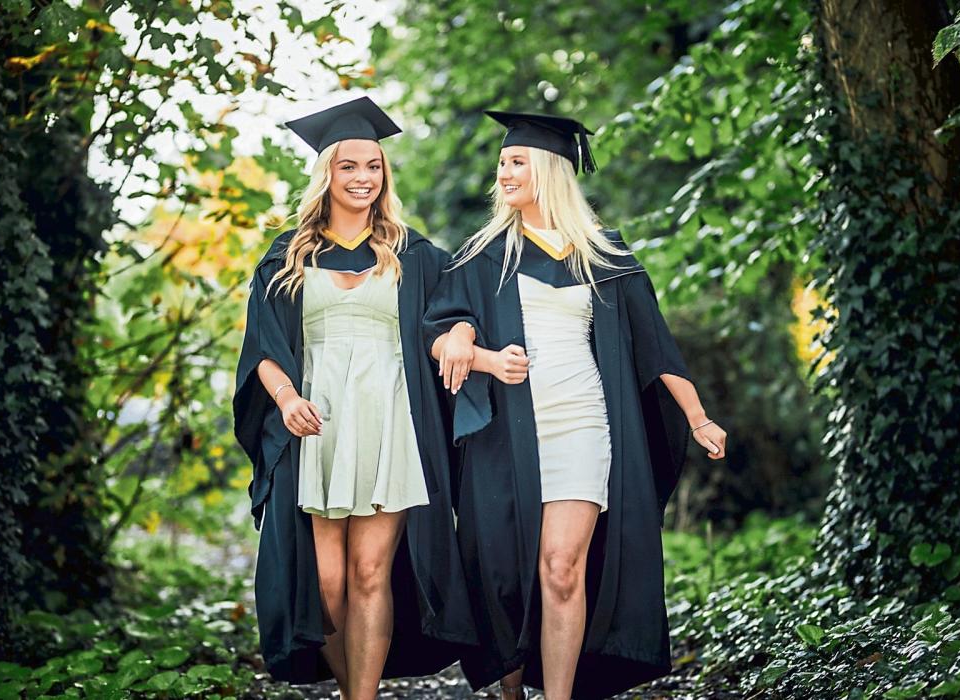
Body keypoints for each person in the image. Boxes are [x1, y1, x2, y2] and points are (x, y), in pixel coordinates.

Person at [424, 110, 729, 700]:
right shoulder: (484, 253)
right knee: (505, 572)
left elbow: (655, 346)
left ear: (548, 170)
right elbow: (439, 327)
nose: (503, 172)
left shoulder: (604, 253)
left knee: (561, 566)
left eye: (516, 162)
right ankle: (512, 692)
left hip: (583, 420)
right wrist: (468, 343)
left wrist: (698, 417)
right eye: (503, 162)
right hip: (506, 432)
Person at [233, 96, 474, 700]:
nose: (364, 177)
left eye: (374, 166)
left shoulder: (413, 253)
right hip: (317, 420)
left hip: (390, 416)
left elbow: (455, 311)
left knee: (371, 574)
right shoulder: (288, 256)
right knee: (330, 582)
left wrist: (467, 335)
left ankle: (360, 698)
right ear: (327, 173)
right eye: (349, 166)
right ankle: (350, 687)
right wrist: (286, 399)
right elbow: (262, 346)